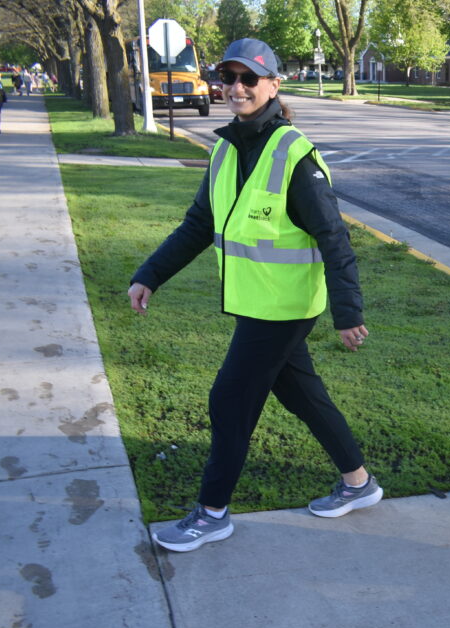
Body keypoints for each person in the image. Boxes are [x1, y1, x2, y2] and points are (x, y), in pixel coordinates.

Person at [128, 38, 382, 553]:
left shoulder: (295, 155)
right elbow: (199, 224)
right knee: (302, 393)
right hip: (256, 305)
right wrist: (150, 274)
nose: (237, 88)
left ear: (273, 85)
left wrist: (347, 311)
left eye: (249, 78)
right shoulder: (226, 149)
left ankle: (211, 514)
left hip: (283, 308)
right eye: (229, 77)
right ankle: (359, 483)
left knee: (229, 401)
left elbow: (333, 237)